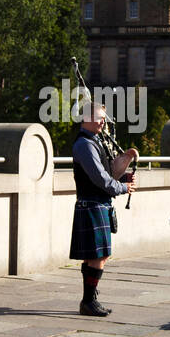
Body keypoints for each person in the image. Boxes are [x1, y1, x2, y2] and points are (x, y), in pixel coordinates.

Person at [70, 101, 137, 316]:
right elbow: (99, 179)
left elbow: (107, 173)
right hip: (92, 203)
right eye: (99, 118)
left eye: (103, 118)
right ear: (86, 118)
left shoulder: (95, 141)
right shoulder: (85, 145)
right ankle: (88, 302)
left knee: (97, 256)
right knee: (98, 256)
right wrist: (122, 187)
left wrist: (123, 167)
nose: (102, 122)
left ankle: (89, 299)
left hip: (97, 204)